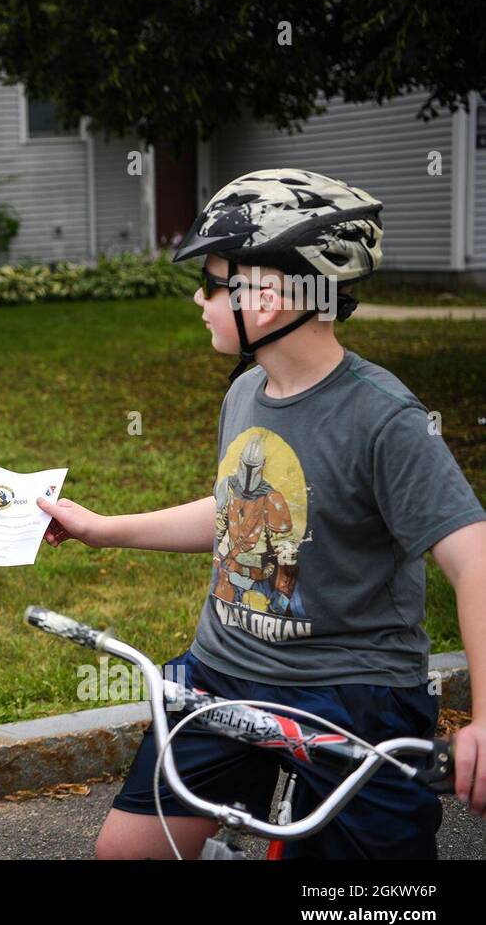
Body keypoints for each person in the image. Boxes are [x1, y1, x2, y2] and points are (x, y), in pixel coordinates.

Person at [39, 169, 486, 858]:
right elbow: (232, 516)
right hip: (222, 676)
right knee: (126, 854)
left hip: (350, 701)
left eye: (215, 281)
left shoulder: (384, 418)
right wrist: (104, 530)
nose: (200, 296)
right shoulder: (248, 390)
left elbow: (474, 557)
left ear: (270, 298)